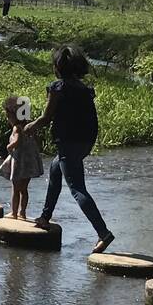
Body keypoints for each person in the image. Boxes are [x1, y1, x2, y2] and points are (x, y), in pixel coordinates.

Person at [28, 45, 115, 253]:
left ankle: (103, 233)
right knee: (56, 170)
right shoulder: (84, 89)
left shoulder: (58, 88)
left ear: (57, 67)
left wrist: (30, 128)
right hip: (85, 142)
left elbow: (47, 117)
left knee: (77, 189)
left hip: (69, 142)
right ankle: (45, 217)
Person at [0, 95, 44, 219]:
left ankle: (13, 213)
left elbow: (17, 141)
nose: (8, 119)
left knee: (15, 188)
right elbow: (37, 142)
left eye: (8, 116)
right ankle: (22, 212)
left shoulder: (16, 128)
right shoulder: (30, 127)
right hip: (29, 163)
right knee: (24, 189)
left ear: (15, 115)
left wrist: (9, 146)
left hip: (19, 163)